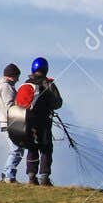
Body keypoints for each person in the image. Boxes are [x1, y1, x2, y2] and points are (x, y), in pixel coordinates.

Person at [23, 57, 64, 186]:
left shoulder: (26, 84)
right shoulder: (48, 84)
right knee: (46, 148)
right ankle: (44, 177)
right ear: (46, 69)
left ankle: (31, 176)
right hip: (44, 122)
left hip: (28, 121)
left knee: (32, 147)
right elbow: (58, 103)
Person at [0, 63, 25, 183]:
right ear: (12, 76)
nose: (18, 79)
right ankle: (8, 175)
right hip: (10, 122)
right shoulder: (6, 87)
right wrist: (22, 110)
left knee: (17, 149)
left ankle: (7, 174)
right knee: (16, 149)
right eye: (17, 76)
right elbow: (10, 106)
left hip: (5, 122)